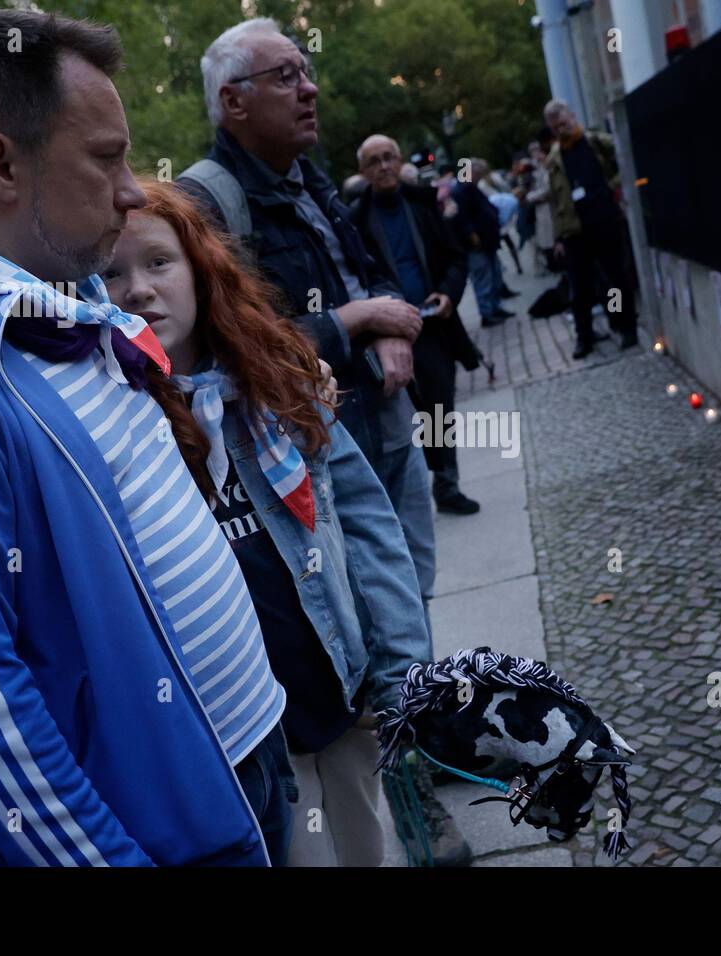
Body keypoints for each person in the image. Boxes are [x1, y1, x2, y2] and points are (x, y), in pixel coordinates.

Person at [0, 8, 294, 866]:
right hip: (161, 832)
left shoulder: (60, 283)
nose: (131, 189)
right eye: (106, 157)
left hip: (250, 756)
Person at [176, 18, 470, 866]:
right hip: (309, 464)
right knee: (354, 636)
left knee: (404, 610)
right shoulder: (208, 205)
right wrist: (350, 324)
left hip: (379, 437)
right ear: (231, 102)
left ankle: (418, 773)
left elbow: (369, 274)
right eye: (284, 76)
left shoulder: (306, 181)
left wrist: (390, 329)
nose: (309, 89)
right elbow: (232, 342)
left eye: (306, 72)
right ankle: (413, 814)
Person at [103, 178, 430, 867]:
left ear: (200, 266)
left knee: (369, 849)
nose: (137, 289)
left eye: (158, 262)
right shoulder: (114, 422)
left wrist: (403, 670)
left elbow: (367, 523)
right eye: (110, 271)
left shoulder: (280, 379)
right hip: (245, 736)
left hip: (339, 690)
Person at [352, 133, 482, 516]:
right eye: (374, 161)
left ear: (399, 160)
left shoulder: (424, 205)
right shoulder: (355, 219)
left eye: (389, 157)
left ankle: (447, 482)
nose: (384, 166)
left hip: (434, 324)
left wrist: (447, 294)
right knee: (407, 410)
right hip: (385, 332)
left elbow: (458, 258)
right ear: (363, 171)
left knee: (440, 402)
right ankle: (417, 484)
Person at [543, 99, 638, 358]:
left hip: (603, 221)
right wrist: (559, 237)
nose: (561, 130)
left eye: (564, 124)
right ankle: (584, 336)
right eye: (555, 128)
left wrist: (611, 188)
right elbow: (556, 202)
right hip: (574, 231)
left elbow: (625, 159)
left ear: (573, 117)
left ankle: (623, 325)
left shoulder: (595, 143)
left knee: (614, 278)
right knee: (580, 287)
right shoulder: (555, 160)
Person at [451, 158, 510, 326]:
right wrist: (472, 235)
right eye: (477, 173)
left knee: (493, 275)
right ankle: (487, 312)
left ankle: (494, 308)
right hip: (476, 244)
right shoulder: (461, 190)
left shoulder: (469, 188)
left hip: (486, 241)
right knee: (483, 278)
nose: (479, 176)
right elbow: (462, 218)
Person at [525, 131, 556, 274]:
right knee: (545, 239)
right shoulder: (532, 167)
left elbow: (548, 188)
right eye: (532, 151)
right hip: (541, 208)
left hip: (550, 207)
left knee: (552, 237)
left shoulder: (546, 164)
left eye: (536, 150)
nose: (535, 154)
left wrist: (531, 196)